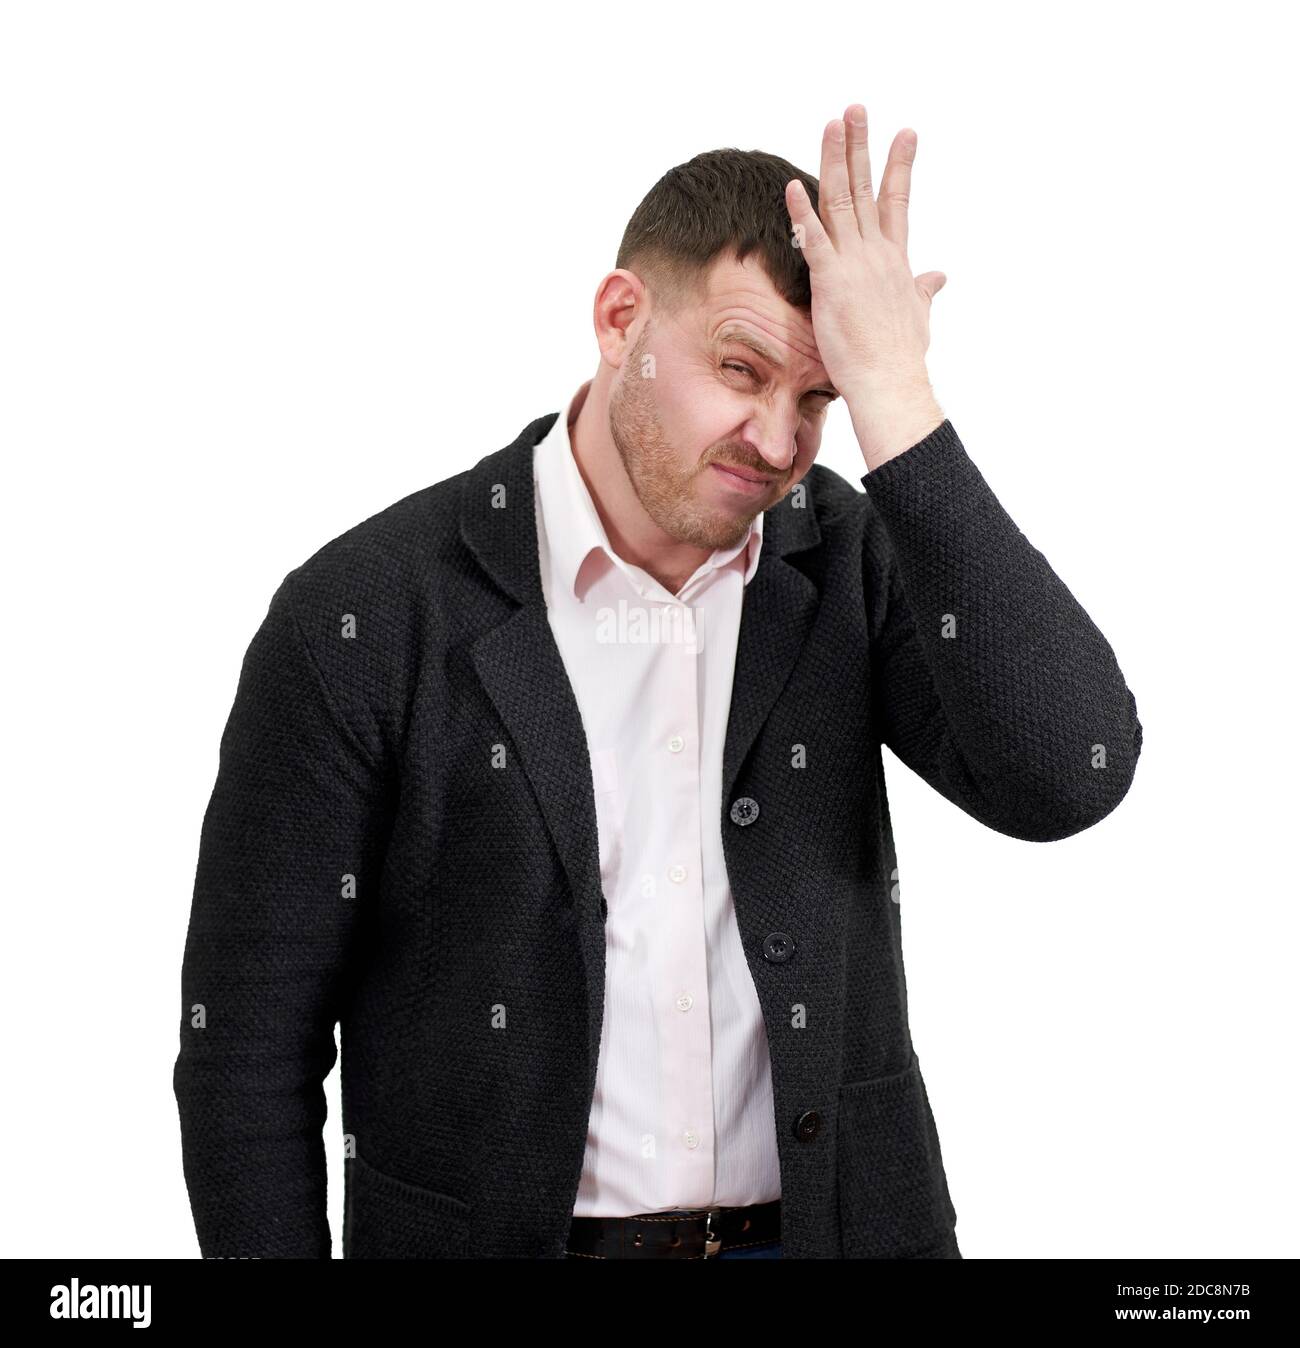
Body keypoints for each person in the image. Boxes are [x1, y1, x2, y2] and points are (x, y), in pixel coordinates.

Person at [173, 103, 1142, 1260]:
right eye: (738, 369)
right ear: (620, 317)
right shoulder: (369, 613)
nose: (777, 441)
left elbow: (1070, 773)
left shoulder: (841, 561)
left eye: (816, 398)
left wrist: (898, 401)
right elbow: (245, 1052)